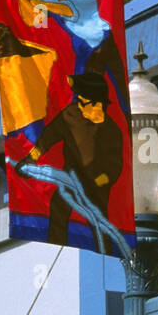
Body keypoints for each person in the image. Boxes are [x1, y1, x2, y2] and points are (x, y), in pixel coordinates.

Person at [19, 72, 124, 246]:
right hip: (71, 176)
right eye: (78, 101)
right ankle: (55, 246)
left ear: (98, 104)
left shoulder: (111, 130)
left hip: (96, 185)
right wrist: (31, 158)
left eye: (83, 103)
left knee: (99, 220)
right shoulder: (71, 115)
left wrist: (101, 180)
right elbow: (48, 137)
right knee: (58, 208)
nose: (78, 106)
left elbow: (115, 165)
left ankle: (107, 256)